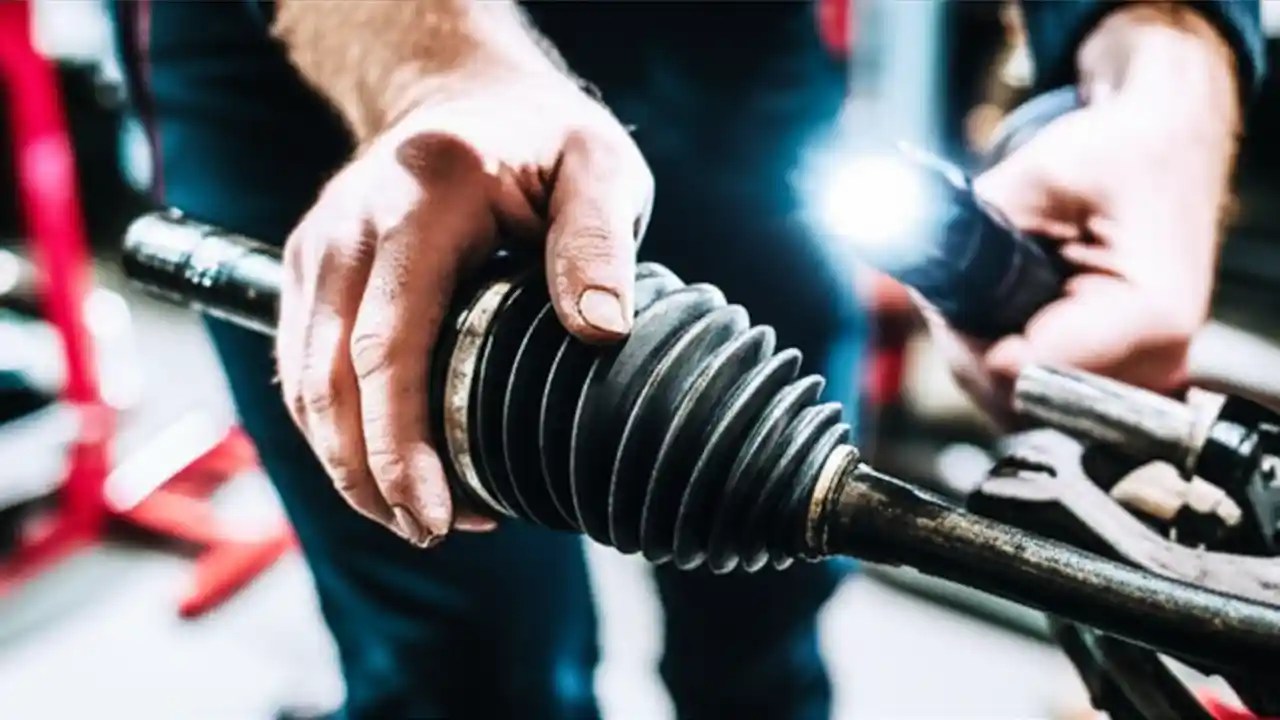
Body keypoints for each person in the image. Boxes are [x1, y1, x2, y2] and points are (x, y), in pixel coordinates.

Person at [105, 1, 1262, 718]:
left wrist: (1163, 62)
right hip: (342, 87)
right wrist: (431, 59)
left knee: (766, 621)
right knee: (469, 665)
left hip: (719, 53)